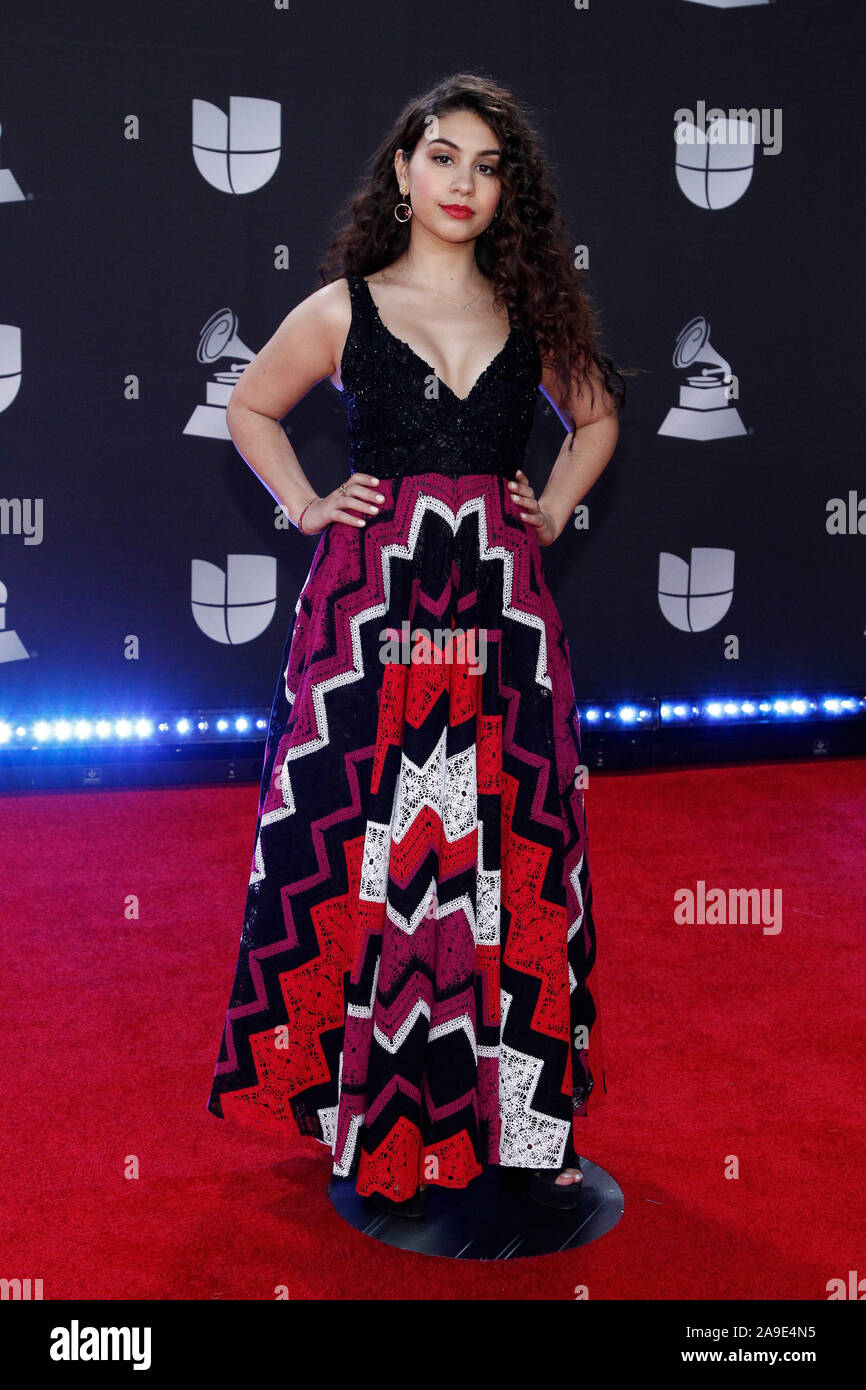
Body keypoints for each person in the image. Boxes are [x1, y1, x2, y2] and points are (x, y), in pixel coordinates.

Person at [206, 72, 626, 1218]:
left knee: (510, 851)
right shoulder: (342, 308)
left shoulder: (528, 318)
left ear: (507, 195)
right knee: (368, 854)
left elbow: (596, 416)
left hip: (500, 625)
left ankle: (511, 1115)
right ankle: (381, 1116)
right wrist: (302, 504)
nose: (463, 184)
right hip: (368, 626)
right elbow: (250, 406)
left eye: (488, 168)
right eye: (444, 157)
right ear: (401, 169)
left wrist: (545, 500)